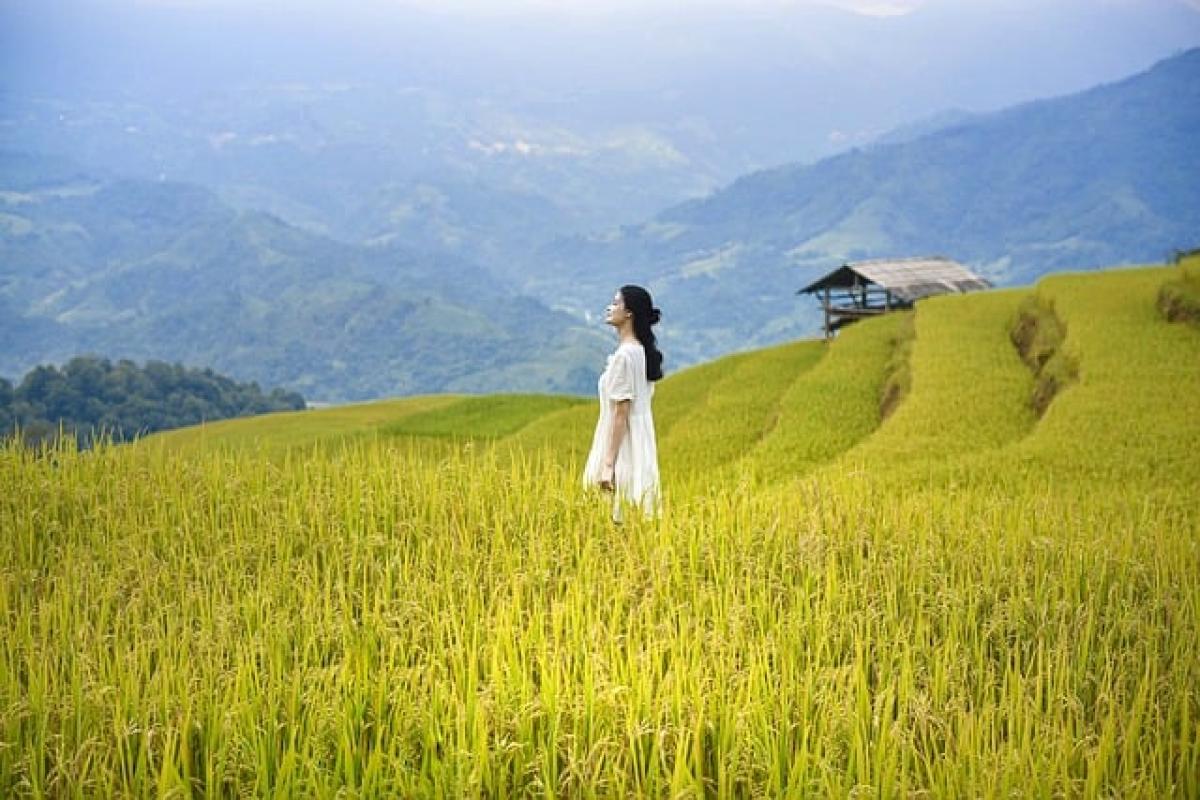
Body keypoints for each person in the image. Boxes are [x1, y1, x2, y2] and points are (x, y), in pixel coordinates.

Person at [583, 285, 663, 520]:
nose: (610, 307)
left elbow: (621, 413)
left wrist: (608, 464)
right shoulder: (641, 352)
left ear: (629, 313)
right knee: (635, 510)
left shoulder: (623, 357)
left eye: (616, 303)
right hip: (641, 441)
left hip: (623, 442)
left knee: (612, 513)